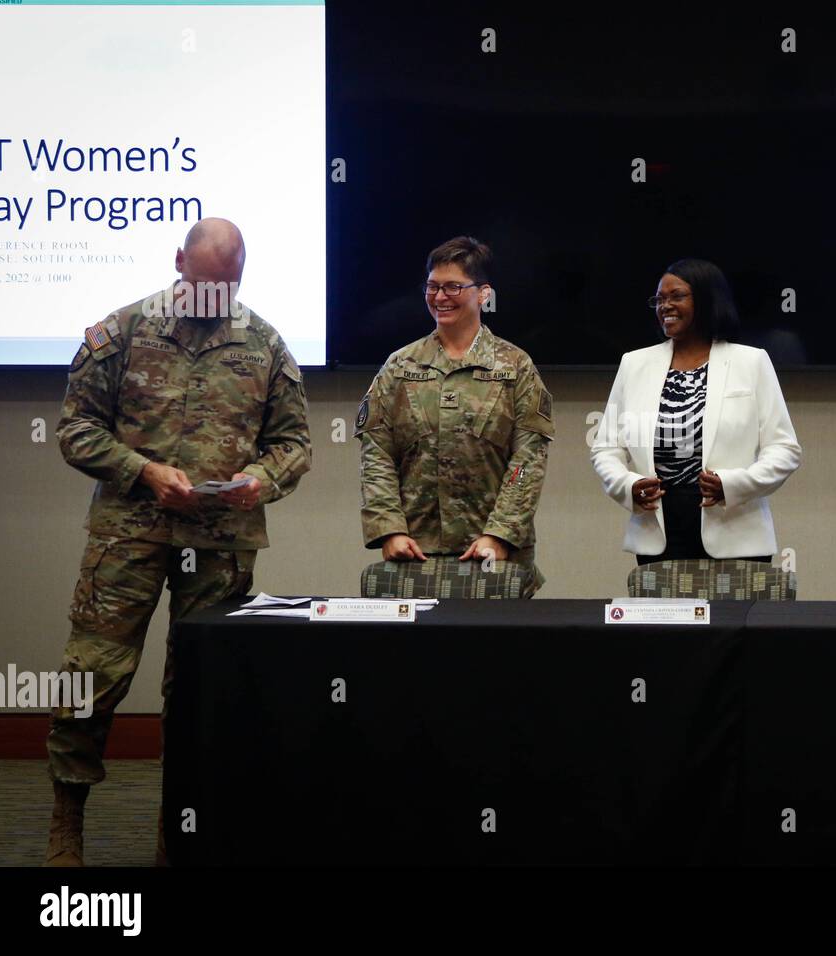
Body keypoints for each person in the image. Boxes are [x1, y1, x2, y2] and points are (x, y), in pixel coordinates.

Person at [45, 218, 312, 866]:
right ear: (178, 264)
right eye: (204, 283)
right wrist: (143, 471)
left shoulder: (266, 345)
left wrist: (262, 477)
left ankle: (179, 832)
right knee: (91, 680)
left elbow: (295, 444)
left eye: (229, 285)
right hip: (130, 533)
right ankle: (65, 825)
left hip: (220, 544)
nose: (216, 297)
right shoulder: (125, 331)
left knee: (200, 690)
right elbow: (75, 429)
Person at [357, 236, 554, 596]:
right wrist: (389, 528)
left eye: (453, 287)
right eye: (432, 287)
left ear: (483, 294)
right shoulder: (400, 366)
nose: (440, 297)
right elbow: (377, 455)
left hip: (494, 554)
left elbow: (528, 460)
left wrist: (499, 534)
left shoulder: (515, 366)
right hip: (415, 551)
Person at [591, 258, 800, 564]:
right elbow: (606, 448)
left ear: (706, 299)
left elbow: (784, 450)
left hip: (736, 533)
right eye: (660, 299)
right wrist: (628, 486)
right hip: (659, 532)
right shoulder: (634, 364)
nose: (665, 306)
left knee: (732, 615)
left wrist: (734, 485)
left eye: (676, 296)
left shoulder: (750, 362)